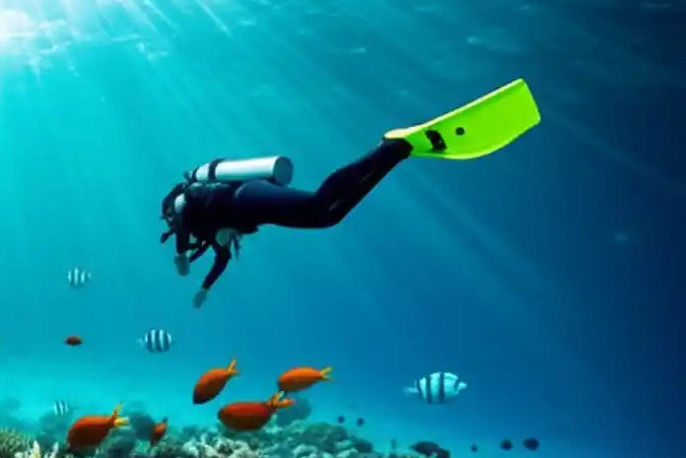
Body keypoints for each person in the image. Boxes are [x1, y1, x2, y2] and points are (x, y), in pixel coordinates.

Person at [160, 79, 542, 308]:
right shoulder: (209, 234)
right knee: (328, 216)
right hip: (250, 204)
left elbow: (179, 209)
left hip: (246, 196)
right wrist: (205, 289)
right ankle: (398, 151)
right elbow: (221, 260)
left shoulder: (185, 206)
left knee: (317, 206)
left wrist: (180, 255)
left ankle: (389, 145)